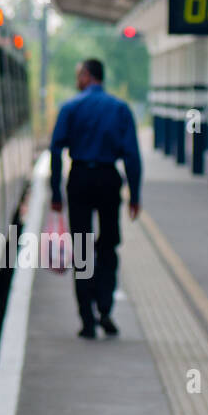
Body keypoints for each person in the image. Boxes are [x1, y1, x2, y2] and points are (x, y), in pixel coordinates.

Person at [48, 58, 141, 339]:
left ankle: (87, 320)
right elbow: (132, 155)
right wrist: (134, 195)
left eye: (79, 75)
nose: (78, 80)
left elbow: (55, 150)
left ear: (88, 76)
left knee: (82, 247)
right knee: (109, 244)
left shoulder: (70, 107)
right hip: (109, 179)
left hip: (79, 179)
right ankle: (105, 308)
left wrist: (56, 192)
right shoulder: (120, 109)